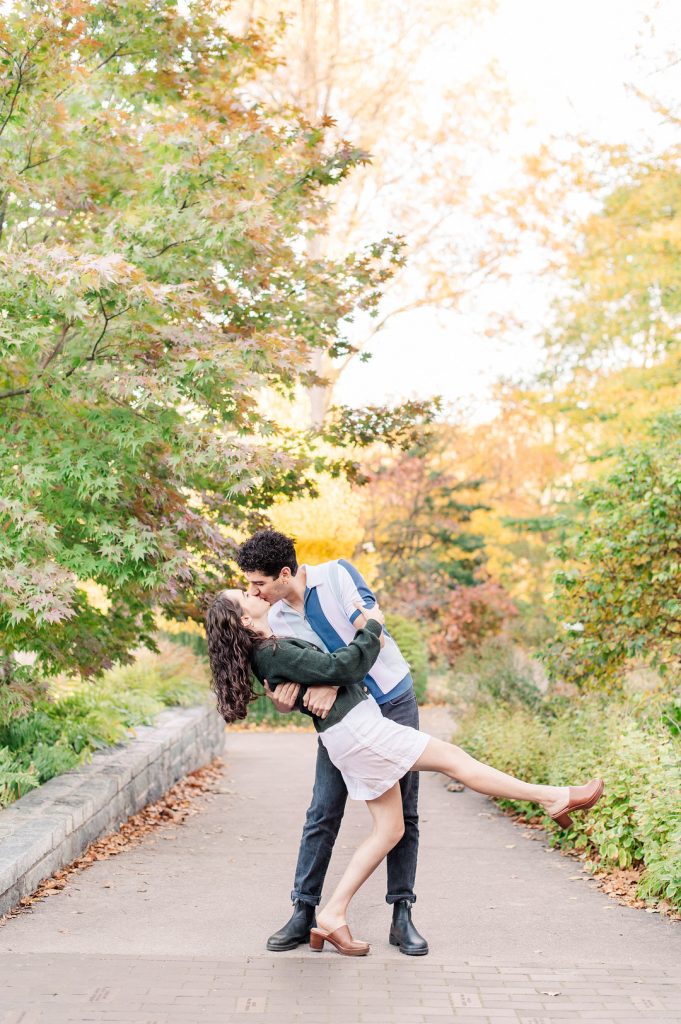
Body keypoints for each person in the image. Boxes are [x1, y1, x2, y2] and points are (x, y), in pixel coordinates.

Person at [205, 588, 605, 958]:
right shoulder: (271, 652)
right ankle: (552, 797)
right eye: (244, 593)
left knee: (390, 829)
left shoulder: (270, 646)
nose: (252, 591)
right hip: (361, 733)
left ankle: (331, 915)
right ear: (242, 620)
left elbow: (322, 674)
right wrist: (372, 625)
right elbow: (342, 664)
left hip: (351, 734)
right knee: (456, 761)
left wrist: (324, 678)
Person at [235, 530, 429, 956]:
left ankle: (402, 914)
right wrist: (286, 697)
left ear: (284, 573)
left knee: (405, 814)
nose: (253, 591)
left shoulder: (338, 575)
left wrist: (332, 682)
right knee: (322, 810)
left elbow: (373, 634)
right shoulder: (276, 621)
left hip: (391, 700)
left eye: (258, 583)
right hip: (342, 722)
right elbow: (289, 693)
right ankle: (304, 911)